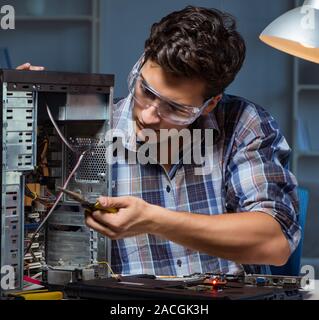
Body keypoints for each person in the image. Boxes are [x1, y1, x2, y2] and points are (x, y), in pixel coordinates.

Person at [18, 6, 301, 276]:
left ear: (210, 104)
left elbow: (274, 244)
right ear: (141, 62)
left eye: (175, 108)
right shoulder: (84, 130)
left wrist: (155, 221)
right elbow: (31, 208)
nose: (150, 115)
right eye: (146, 91)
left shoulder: (242, 124)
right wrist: (22, 121)